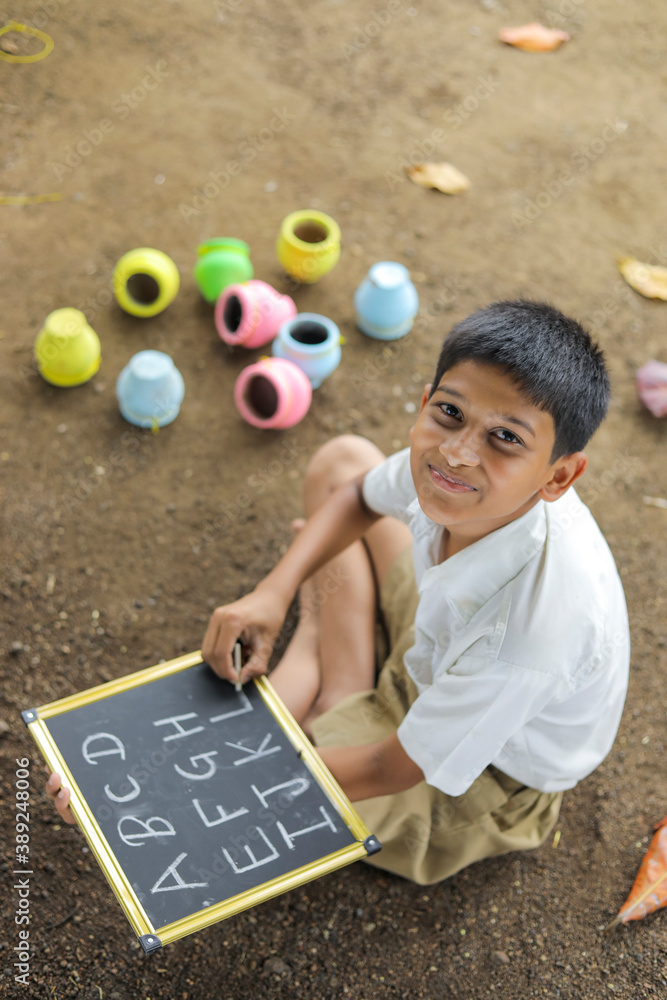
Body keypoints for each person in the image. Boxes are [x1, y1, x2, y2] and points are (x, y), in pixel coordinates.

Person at [48, 300, 630, 886]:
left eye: (506, 438)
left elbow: (391, 767)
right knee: (341, 460)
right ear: (427, 401)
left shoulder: (529, 635)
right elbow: (355, 494)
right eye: (450, 412)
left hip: (487, 772)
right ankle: (337, 660)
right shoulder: (456, 472)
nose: (457, 451)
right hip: (439, 645)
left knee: (263, 811)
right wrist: (271, 593)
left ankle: (333, 670)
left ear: (559, 476)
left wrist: (167, 789)